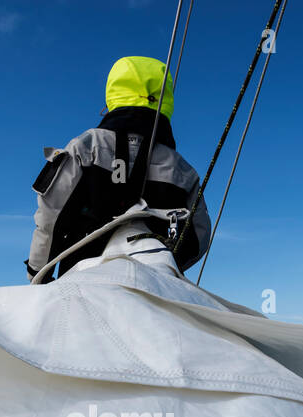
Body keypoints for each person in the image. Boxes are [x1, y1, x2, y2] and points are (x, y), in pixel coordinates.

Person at [26, 55, 213, 282]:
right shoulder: (183, 169)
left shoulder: (87, 146)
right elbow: (198, 237)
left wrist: (38, 272)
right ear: (166, 99)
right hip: (158, 281)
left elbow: (50, 216)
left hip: (83, 281)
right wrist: (170, 267)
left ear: (113, 94)